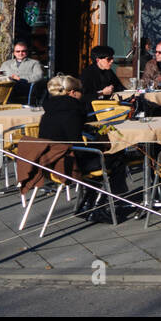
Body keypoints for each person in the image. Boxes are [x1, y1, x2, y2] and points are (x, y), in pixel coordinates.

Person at [38, 74, 128, 220]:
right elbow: (77, 143)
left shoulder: (50, 109)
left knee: (101, 158)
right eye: (81, 91)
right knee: (117, 157)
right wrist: (103, 138)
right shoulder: (73, 110)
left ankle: (90, 203)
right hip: (67, 163)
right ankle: (104, 203)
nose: (83, 95)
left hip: (50, 162)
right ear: (73, 93)